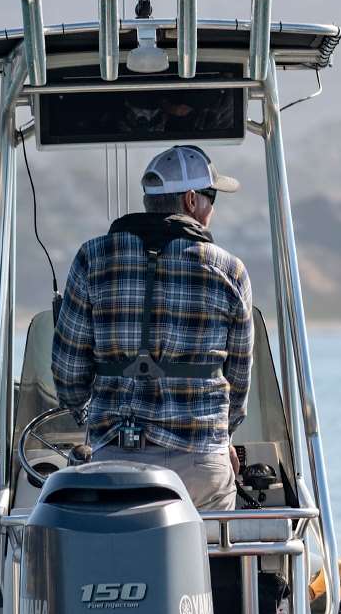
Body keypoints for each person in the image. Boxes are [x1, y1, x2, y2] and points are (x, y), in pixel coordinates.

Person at [49, 143, 254, 510]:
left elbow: (68, 371)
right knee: (210, 560)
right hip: (199, 465)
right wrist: (222, 439)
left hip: (115, 463)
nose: (213, 209)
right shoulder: (229, 270)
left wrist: (90, 422)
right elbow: (238, 380)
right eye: (212, 198)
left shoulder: (91, 258)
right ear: (192, 201)